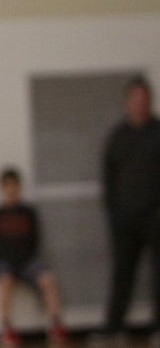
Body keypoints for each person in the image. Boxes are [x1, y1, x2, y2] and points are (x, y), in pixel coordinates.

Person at [100, 74, 160, 344]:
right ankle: (114, 327)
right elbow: (108, 180)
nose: (140, 104)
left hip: (156, 218)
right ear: (127, 102)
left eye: (144, 99)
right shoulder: (117, 137)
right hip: (125, 221)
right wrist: (115, 215)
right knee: (122, 273)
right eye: (135, 99)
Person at [0, 167, 68, 347]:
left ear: (19, 187)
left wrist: (29, 258)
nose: (11, 189)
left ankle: (55, 324)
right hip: (5, 263)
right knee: (4, 282)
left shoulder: (28, 212)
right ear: (2, 188)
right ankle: (6, 328)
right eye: (7, 185)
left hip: (27, 262)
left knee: (48, 279)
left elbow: (36, 238)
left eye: (14, 185)